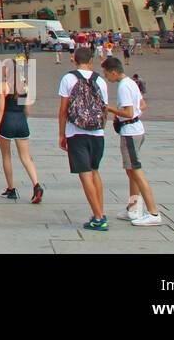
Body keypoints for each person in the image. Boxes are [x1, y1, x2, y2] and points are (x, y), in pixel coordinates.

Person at [101, 56, 162, 226]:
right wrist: (133, 113)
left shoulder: (123, 87)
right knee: (131, 171)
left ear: (114, 72)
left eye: (106, 73)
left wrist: (108, 108)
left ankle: (153, 212)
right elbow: (142, 105)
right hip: (137, 130)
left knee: (136, 171)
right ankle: (133, 207)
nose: (105, 77)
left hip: (130, 132)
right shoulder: (131, 83)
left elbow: (128, 112)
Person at [58, 45, 108, 231]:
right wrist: (101, 128)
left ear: (74, 59)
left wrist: (62, 134)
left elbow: (63, 110)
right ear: (91, 61)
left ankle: (99, 217)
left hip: (76, 132)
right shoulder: (100, 80)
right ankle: (99, 213)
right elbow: (104, 109)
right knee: (95, 171)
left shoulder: (68, 79)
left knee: (85, 174)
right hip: (97, 133)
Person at [0, 58, 42, 203]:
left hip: (7, 121)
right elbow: (27, 108)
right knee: (26, 157)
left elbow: (1, 109)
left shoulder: (3, 86)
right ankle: (36, 185)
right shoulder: (24, 85)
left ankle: (11, 189)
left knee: (6, 157)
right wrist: (24, 120)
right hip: (21, 121)